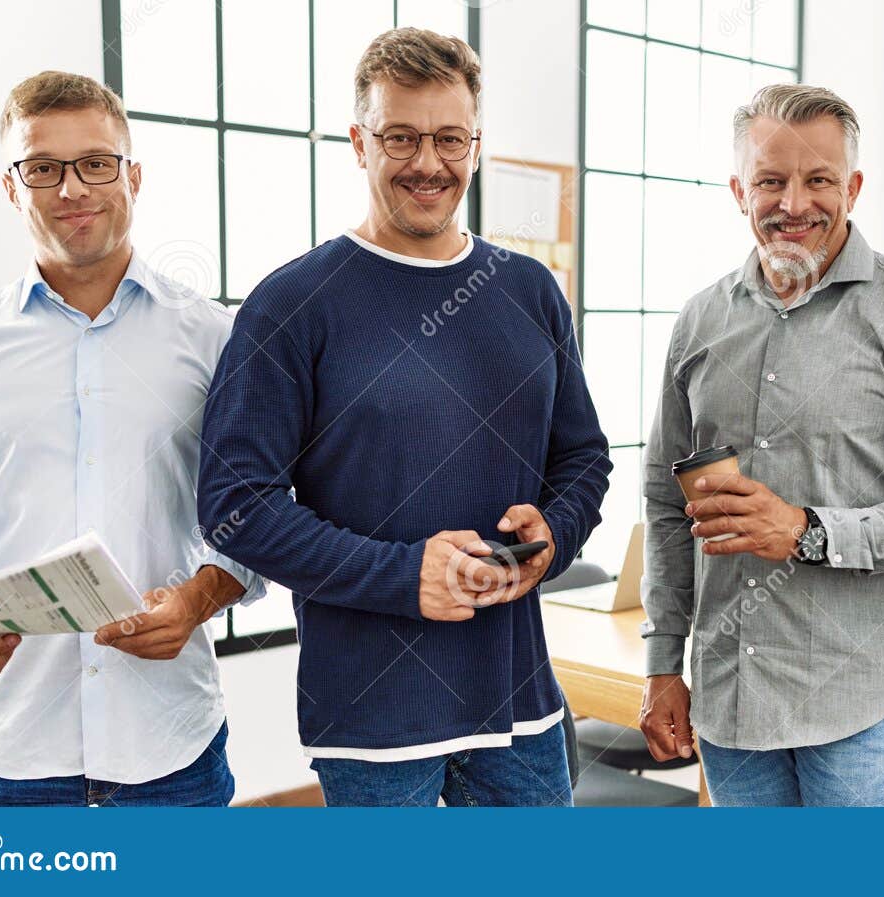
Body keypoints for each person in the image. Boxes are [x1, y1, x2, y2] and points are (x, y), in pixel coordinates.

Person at [196, 28, 611, 807]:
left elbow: (585, 458)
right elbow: (233, 507)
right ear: (360, 142)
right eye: (401, 137)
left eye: (449, 138)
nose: (429, 162)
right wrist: (401, 575)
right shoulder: (291, 305)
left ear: (476, 145)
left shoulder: (528, 291)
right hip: (370, 721)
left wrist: (556, 532)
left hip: (519, 705)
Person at [0, 71, 264, 807]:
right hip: (9, 752)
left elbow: (261, 504)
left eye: (96, 163)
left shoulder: (219, 339)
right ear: (11, 186)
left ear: (134, 175)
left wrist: (201, 596)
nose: (72, 188)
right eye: (42, 168)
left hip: (172, 749)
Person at [636, 84, 884, 806]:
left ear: (853, 188)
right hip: (730, 700)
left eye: (819, 180)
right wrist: (662, 661)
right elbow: (665, 505)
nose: (794, 203)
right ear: (740, 190)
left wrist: (804, 530)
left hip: (857, 705)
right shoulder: (700, 321)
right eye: (771, 180)